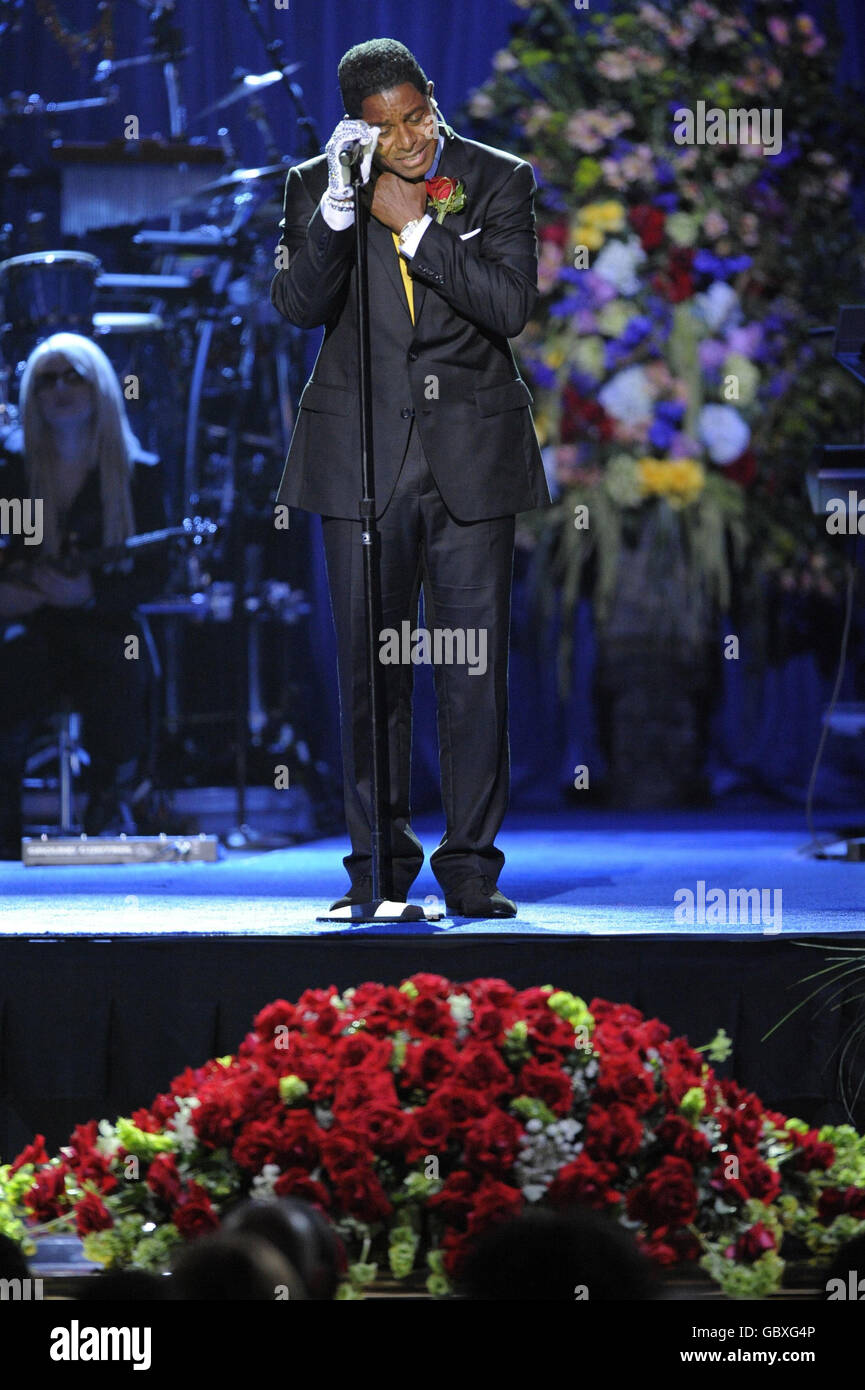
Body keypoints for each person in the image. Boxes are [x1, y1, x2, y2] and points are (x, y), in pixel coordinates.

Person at [271, 39, 551, 917]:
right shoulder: (318, 185)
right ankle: (377, 873)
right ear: (358, 122)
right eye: (385, 128)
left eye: (417, 116)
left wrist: (417, 225)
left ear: (432, 97)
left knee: (471, 675)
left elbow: (508, 305)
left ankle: (470, 869)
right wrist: (349, 212)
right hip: (359, 457)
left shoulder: (497, 178)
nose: (408, 140)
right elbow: (297, 305)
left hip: (470, 458)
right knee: (370, 674)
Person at [0, 332, 168, 854]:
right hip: (33, 623)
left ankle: (109, 803)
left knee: (121, 663)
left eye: (73, 374)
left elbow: (155, 574)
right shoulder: (11, 469)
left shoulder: (140, 473)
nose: (60, 388)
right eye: (46, 379)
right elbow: (8, 551)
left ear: (98, 386)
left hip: (104, 622)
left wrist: (91, 594)